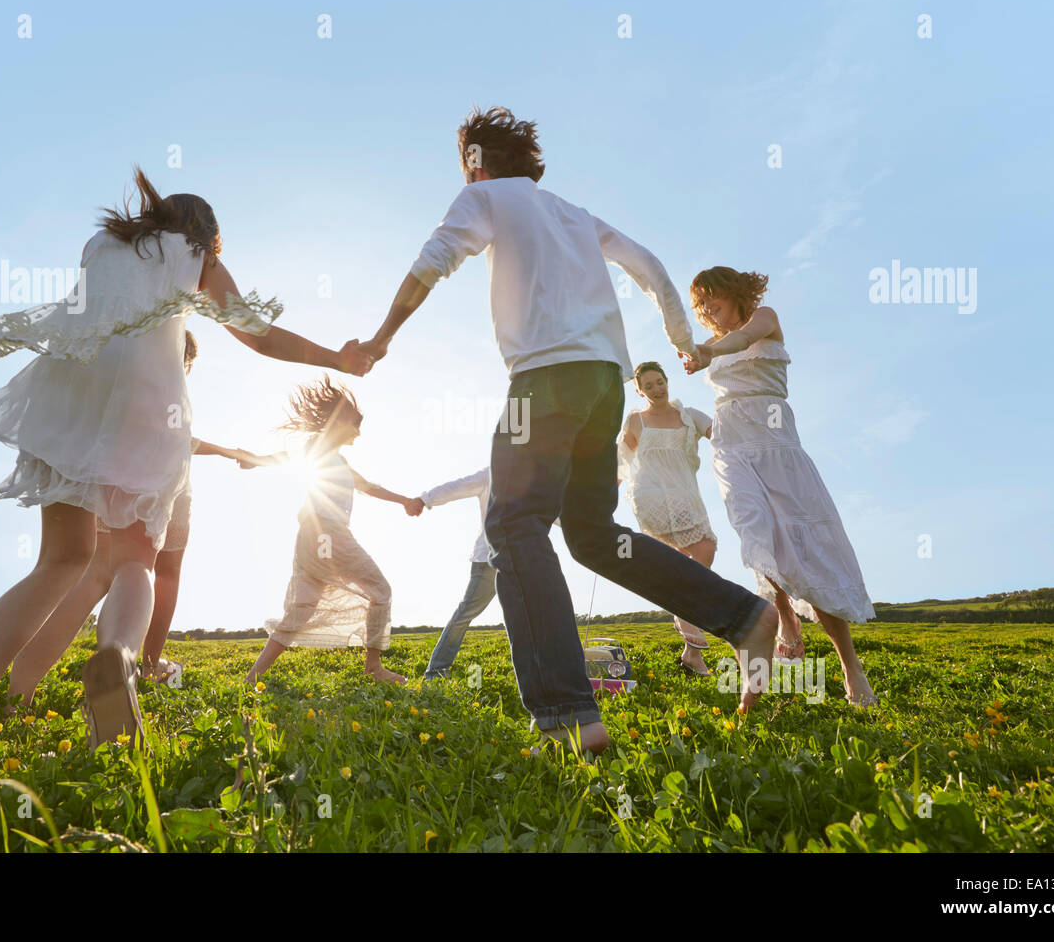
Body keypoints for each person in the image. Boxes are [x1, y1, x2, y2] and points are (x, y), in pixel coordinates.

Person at [359, 107, 780, 752]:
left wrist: (382, 337)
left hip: (542, 383)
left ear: (475, 160)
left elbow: (435, 259)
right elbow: (652, 268)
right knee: (590, 534)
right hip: (605, 387)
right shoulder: (575, 214)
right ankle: (744, 616)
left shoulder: (484, 196)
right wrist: (681, 341)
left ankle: (567, 715)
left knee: (512, 524)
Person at [0, 167, 374, 748]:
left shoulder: (103, 242)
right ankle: (116, 658)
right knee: (136, 557)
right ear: (209, 239)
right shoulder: (195, 255)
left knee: (60, 561)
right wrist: (336, 358)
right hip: (146, 404)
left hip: (65, 398)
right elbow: (256, 335)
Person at [5, 331, 247, 708]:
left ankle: (20, 689)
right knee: (159, 571)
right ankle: (138, 662)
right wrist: (230, 451)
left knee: (94, 576)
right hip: (159, 480)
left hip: (103, 474)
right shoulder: (166, 385)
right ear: (183, 360)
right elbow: (181, 440)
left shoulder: (115, 370)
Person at [683, 266, 877, 706]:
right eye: (701, 303)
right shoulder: (710, 344)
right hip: (731, 441)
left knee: (806, 546)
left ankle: (851, 666)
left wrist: (706, 353)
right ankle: (785, 617)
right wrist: (694, 354)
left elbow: (737, 342)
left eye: (713, 297)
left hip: (774, 439)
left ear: (735, 293)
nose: (708, 309)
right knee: (754, 529)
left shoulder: (765, 319)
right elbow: (706, 350)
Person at [235, 376, 410, 685]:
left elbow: (369, 487)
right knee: (380, 591)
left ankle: (253, 678)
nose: (358, 432)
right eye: (356, 425)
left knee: (301, 610)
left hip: (309, 537)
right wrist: (256, 460)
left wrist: (404, 500)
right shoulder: (321, 449)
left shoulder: (338, 460)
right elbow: (290, 459)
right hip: (328, 534)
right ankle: (373, 668)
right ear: (341, 421)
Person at [617, 361, 718, 676]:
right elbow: (620, 463)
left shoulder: (689, 416)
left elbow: (724, 437)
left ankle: (691, 650)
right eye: (649, 386)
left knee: (702, 554)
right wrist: (603, 494)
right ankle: (690, 631)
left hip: (687, 498)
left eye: (660, 382)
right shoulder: (636, 421)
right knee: (700, 551)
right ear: (639, 391)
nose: (657, 389)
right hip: (651, 497)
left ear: (666, 381)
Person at [405, 467, 498, 680]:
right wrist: (424, 499)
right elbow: (457, 487)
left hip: (522, 561)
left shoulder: (536, 476)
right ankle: (436, 672)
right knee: (466, 613)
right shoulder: (492, 473)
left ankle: (538, 675)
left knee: (528, 616)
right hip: (489, 559)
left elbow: (555, 512)